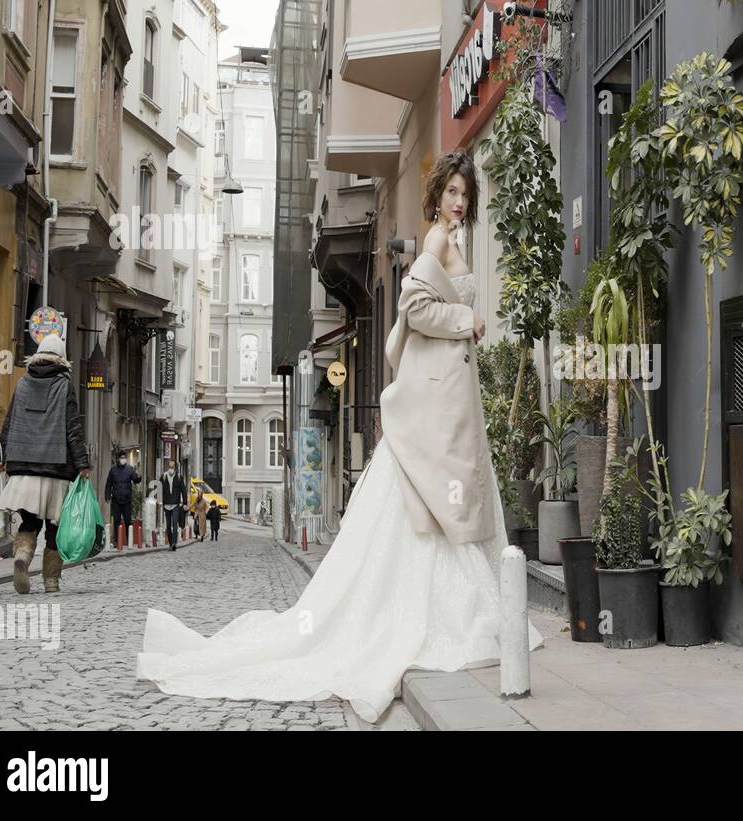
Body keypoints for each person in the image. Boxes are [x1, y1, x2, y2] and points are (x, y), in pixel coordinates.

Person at [137, 151, 543, 722]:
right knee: (435, 484)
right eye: (451, 191)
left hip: (448, 388)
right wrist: (467, 322)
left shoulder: (449, 238)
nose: (458, 200)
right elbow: (413, 305)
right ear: (438, 194)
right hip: (440, 392)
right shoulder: (436, 242)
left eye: (464, 193)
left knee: (439, 487)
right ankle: (428, 616)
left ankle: (448, 604)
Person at [0, 333, 90, 594]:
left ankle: (22, 557)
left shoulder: (22, 383)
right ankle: (50, 580)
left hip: (23, 468)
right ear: (61, 358)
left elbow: (10, 422)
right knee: (55, 528)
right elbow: (72, 428)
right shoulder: (63, 384)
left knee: (29, 523)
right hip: (55, 468)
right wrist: (82, 463)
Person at [104, 452, 139, 546]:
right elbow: (108, 484)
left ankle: (129, 541)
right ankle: (117, 542)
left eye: (124, 457)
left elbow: (135, 480)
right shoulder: (113, 470)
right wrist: (107, 496)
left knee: (128, 520)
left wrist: (138, 477)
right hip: (116, 500)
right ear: (118, 459)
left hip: (126, 500)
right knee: (116, 520)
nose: (123, 459)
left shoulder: (130, 469)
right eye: (122, 457)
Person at [159, 463, 186, 551]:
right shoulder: (163, 476)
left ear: (175, 468)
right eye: (169, 467)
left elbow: (183, 490)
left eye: (172, 467)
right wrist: (159, 501)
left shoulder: (179, 477)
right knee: (168, 525)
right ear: (168, 467)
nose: (171, 468)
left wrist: (185, 503)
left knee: (175, 523)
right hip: (166, 504)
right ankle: (170, 543)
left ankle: (174, 543)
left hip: (175, 504)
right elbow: (159, 488)